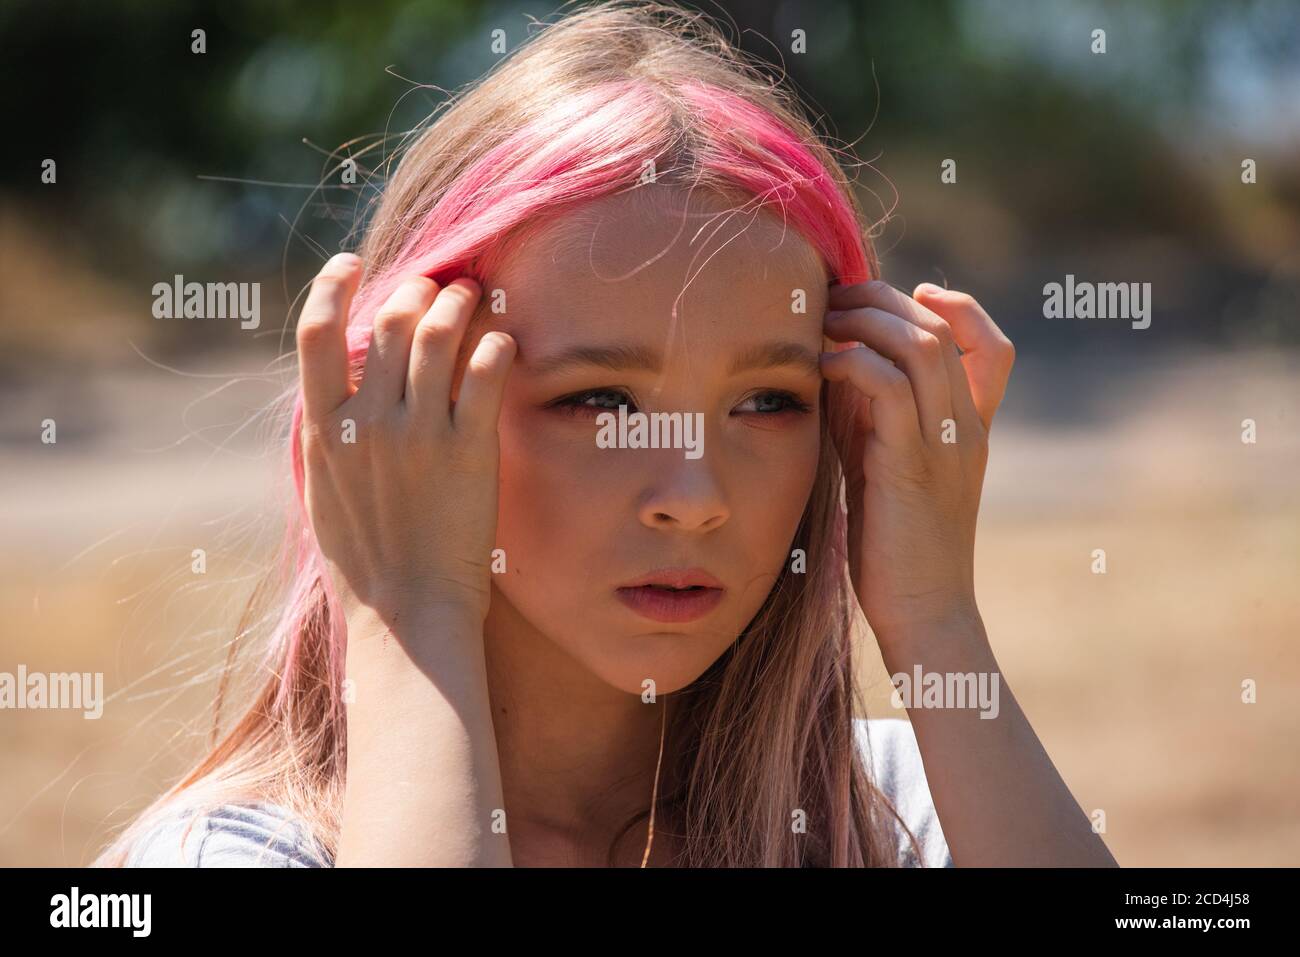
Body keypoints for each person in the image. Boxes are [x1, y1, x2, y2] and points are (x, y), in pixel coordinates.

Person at [97, 0, 1115, 868]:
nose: (694, 492)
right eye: (601, 403)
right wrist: (409, 616)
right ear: (402, 409)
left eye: (767, 401)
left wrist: (936, 622)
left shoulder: (890, 809)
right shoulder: (236, 853)